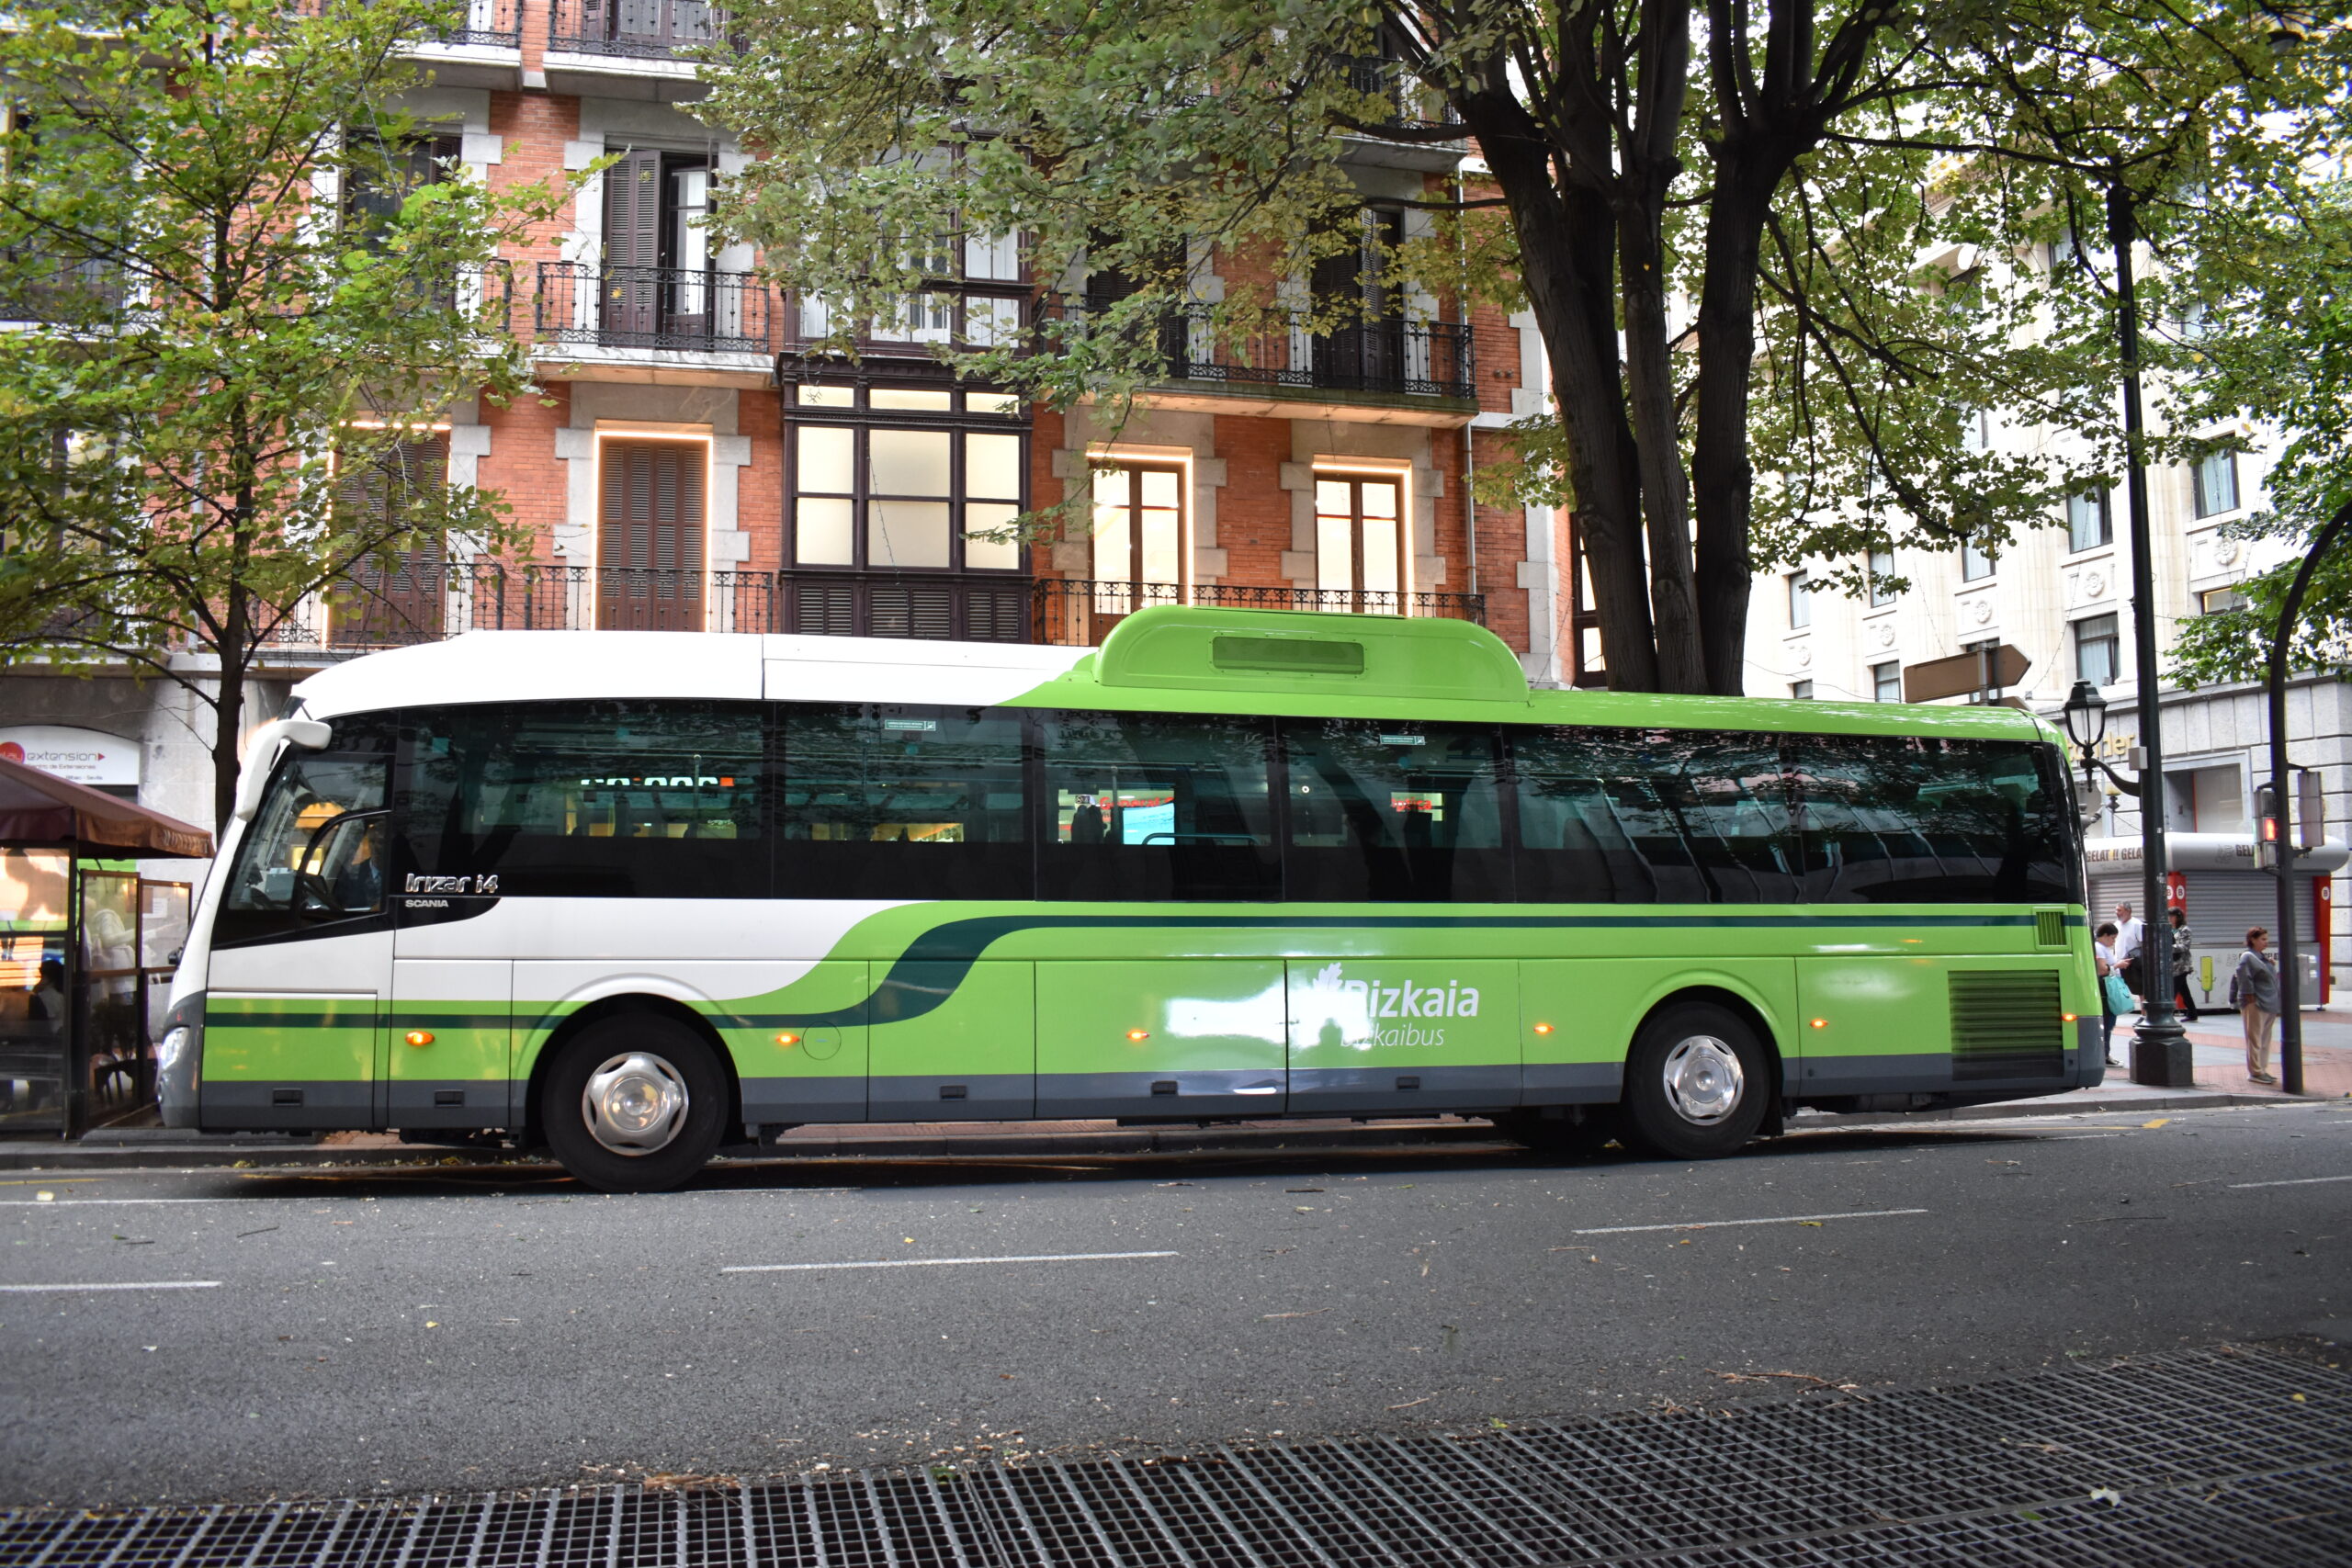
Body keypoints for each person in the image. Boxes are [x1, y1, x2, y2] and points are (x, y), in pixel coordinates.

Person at [2231, 925, 2281, 1086]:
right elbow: (2243, 976)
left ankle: (2262, 1068)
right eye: (2263, 939)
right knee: (2255, 1038)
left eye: (2267, 939)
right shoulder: (2248, 957)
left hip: (2268, 1003)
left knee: (2264, 1038)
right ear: (2252, 940)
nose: (2266, 942)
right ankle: (2255, 1071)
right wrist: (2250, 997)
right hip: (2256, 1003)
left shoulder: (2262, 958)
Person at [2094, 921, 2124, 1066]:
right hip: (2105, 989)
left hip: (2108, 988)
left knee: (2109, 1022)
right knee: (2108, 1021)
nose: (2113, 942)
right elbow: (2102, 970)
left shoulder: (2102, 948)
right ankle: (2104, 1054)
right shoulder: (2099, 948)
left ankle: (2105, 1053)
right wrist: (2118, 965)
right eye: (2112, 938)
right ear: (2105, 936)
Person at [2167, 907, 2199, 1021]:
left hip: (2182, 965)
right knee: (2184, 990)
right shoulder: (2169, 929)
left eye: (2172, 916)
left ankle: (2167, 1014)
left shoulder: (2185, 930)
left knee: (2173, 989)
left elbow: (2185, 946)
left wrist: (2169, 948)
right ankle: (2192, 1013)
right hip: (2172, 964)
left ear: (2178, 917)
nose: (2169, 918)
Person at [2113, 901, 2145, 1001]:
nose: (2116, 912)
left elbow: (2143, 943)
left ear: (2128, 911)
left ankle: (2144, 1014)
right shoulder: (2116, 924)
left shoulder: (2137, 924)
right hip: (2119, 961)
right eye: (2116, 910)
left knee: (2140, 989)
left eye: (2119, 910)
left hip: (2133, 962)